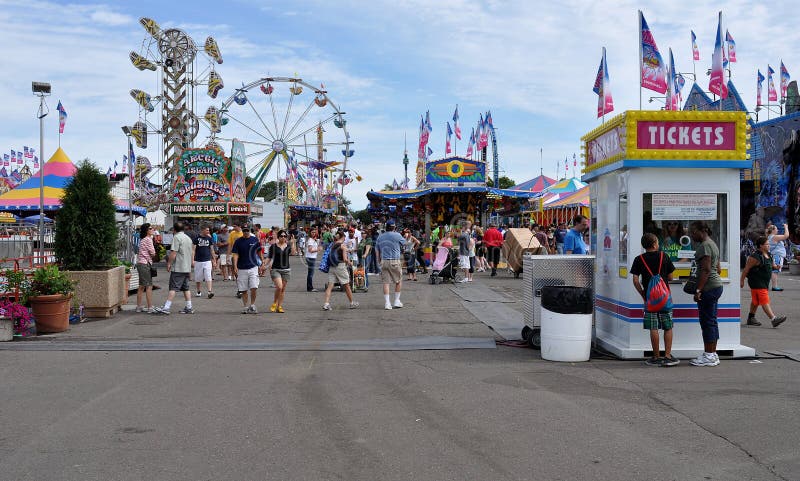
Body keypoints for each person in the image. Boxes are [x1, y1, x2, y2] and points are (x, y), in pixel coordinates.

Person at [630, 233, 679, 367]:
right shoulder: (664, 256)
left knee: (654, 327)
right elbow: (670, 278)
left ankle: (656, 356)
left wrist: (643, 294)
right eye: (657, 242)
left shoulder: (639, 259)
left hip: (650, 299)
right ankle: (667, 355)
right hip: (665, 298)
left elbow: (635, 280)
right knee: (668, 327)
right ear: (654, 244)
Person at [688, 221, 724, 367]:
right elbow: (719, 268)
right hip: (715, 286)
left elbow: (706, 270)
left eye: (693, 231)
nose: (691, 234)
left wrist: (698, 290)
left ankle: (709, 355)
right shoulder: (712, 244)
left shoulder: (705, 246)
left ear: (702, 231)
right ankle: (712, 354)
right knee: (712, 321)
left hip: (708, 288)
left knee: (707, 322)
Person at [741, 236, 788, 328]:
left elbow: (772, 265)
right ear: (761, 246)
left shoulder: (769, 254)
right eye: (766, 244)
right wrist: (742, 281)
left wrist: (776, 267)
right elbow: (746, 270)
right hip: (757, 282)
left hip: (764, 282)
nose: (768, 246)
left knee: (756, 301)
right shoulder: (755, 257)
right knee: (764, 300)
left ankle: (751, 318)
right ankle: (773, 319)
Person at [153, 221, 194, 315]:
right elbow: (192, 252)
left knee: (173, 287)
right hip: (186, 267)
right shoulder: (188, 238)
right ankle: (189, 307)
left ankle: (166, 307)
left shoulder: (176, 237)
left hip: (178, 267)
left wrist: (169, 263)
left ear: (174, 230)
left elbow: (173, 253)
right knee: (186, 288)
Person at [322, 230, 359, 310]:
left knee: (330, 286)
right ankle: (352, 303)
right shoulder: (343, 246)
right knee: (347, 285)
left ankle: (326, 303)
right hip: (340, 266)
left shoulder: (333, 245)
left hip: (332, 267)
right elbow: (345, 259)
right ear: (344, 237)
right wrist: (350, 263)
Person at [231, 225, 263, 314]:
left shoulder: (254, 240)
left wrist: (261, 263)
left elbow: (259, 251)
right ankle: (245, 306)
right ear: (242, 231)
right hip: (241, 268)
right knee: (244, 289)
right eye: (244, 230)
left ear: (250, 231)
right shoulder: (238, 241)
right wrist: (235, 266)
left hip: (253, 267)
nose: (246, 232)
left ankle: (252, 305)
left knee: (254, 287)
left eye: (247, 230)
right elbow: (235, 254)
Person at [375, 219, 405, 309]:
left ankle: (387, 303)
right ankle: (396, 301)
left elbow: (377, 249)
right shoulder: (397, 235)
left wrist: (378, 260)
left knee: (386, 282)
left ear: (386, 227)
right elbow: (405, 243)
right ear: (394, 227)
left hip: (384, 261)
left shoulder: (380, 237)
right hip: (394, 260)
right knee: (398, 281)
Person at [266, 229, 291, 313]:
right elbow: (269, 257)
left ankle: (279, 306)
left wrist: (293, 243)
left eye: (285, 236)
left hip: (286, 270)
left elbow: (294, 252)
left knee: (283, 289)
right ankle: (274, 303)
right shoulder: (273, 246)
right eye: (281, 236)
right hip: (276, 269)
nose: (283, 237)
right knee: (279, 287)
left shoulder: (288, 246)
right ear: (278, 237)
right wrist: (263, 265)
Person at [135, 223, 156, 313]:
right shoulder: (148, 240)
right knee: (149, 286)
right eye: (150, 228)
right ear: (147, 231)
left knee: (141, 286)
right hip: (145, 264)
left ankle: (139, 306)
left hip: (141, 263)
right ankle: (150, 307)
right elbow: (153, 253)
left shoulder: (143, 239)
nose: (153, 229)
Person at [192, 225, 216, 298]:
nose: (208, 231)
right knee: (198, 277)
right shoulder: (196, 239)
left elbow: (212, 250)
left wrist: (214, 260)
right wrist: (192, 260)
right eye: (207, 230)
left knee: (208, 276)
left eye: (208, 230)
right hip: (198, 261)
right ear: (202, 230)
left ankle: (209, 291)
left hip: (207, 261)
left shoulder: (209, 239)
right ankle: (198, 291)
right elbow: (193, 250)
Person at [766, 223, 790, 291]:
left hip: (775, 255)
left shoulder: (770, 237)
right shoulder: (774, 237)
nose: (778, 230)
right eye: (776, 229)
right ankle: (774, 286)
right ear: (773, 230)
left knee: (774, 271)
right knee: (775, 271)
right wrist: (786, 227)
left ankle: (772, 286)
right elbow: (786, 235)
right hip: (777, 256)